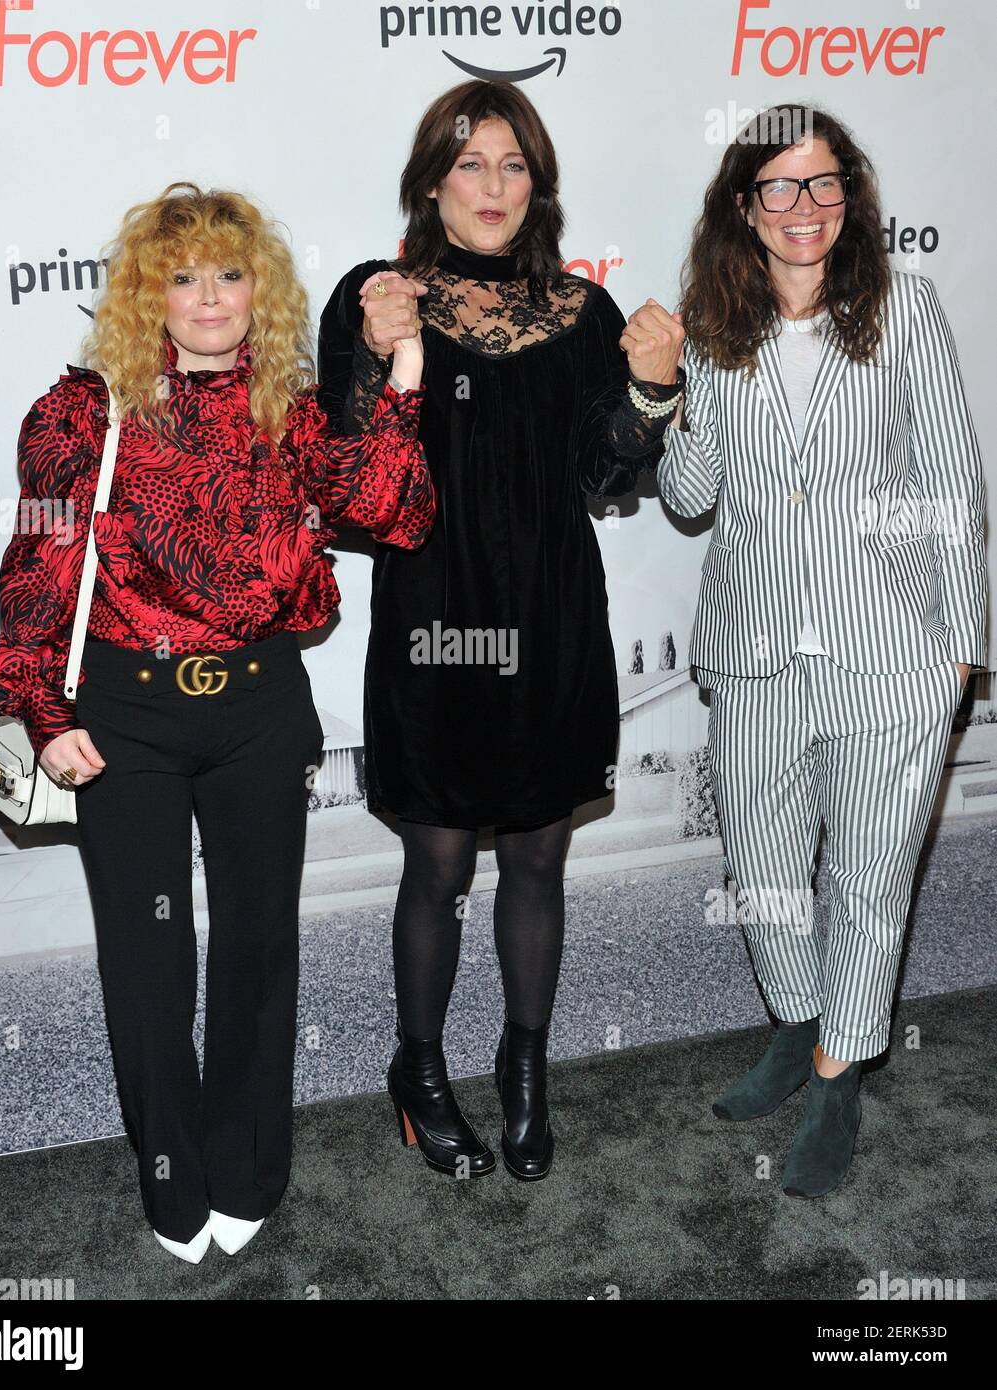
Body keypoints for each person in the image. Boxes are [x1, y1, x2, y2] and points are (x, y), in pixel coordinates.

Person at [0, 182, 434, 1259]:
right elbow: (37, 566)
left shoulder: (293, 410)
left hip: (261, 706)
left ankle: (250, 1162)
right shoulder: (82, 413)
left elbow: (393, 512)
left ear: (259, 290)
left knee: (259, 947)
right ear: (149, 296)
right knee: (148, 959)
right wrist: (40, 708)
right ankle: (171, 1172)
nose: (211, 296)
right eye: (183, 277)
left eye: (230, 274)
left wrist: (405, 369)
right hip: (121, 714)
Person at [317, 80, 682, 1181]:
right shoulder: (378, 297)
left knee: (536, 856)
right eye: (470, 162)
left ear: (539, 185)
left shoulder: (584, 312)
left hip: (552, 617)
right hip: (433, 622)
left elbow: (607, 473)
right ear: (432, 182)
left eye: (514, 164)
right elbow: (343, 476)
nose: (492, 185)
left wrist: (651, 392)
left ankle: (526, 1069)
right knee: (436, 862)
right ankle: (418, 1072)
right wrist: (374, 354)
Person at [656, 107, 987, 1198]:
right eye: (781, 187)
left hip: (892, 652)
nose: (805, 207)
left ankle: (841, 1067)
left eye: (824, 183)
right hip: (755, 652)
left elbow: (952, 484)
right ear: (743, 204)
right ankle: (797, 1024)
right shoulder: (713, 326)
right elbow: (690, 497)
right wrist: (665, 393)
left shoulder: (903, 309)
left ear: (851, 194)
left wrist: (960, 652)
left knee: (868, 874)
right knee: (761, 868)